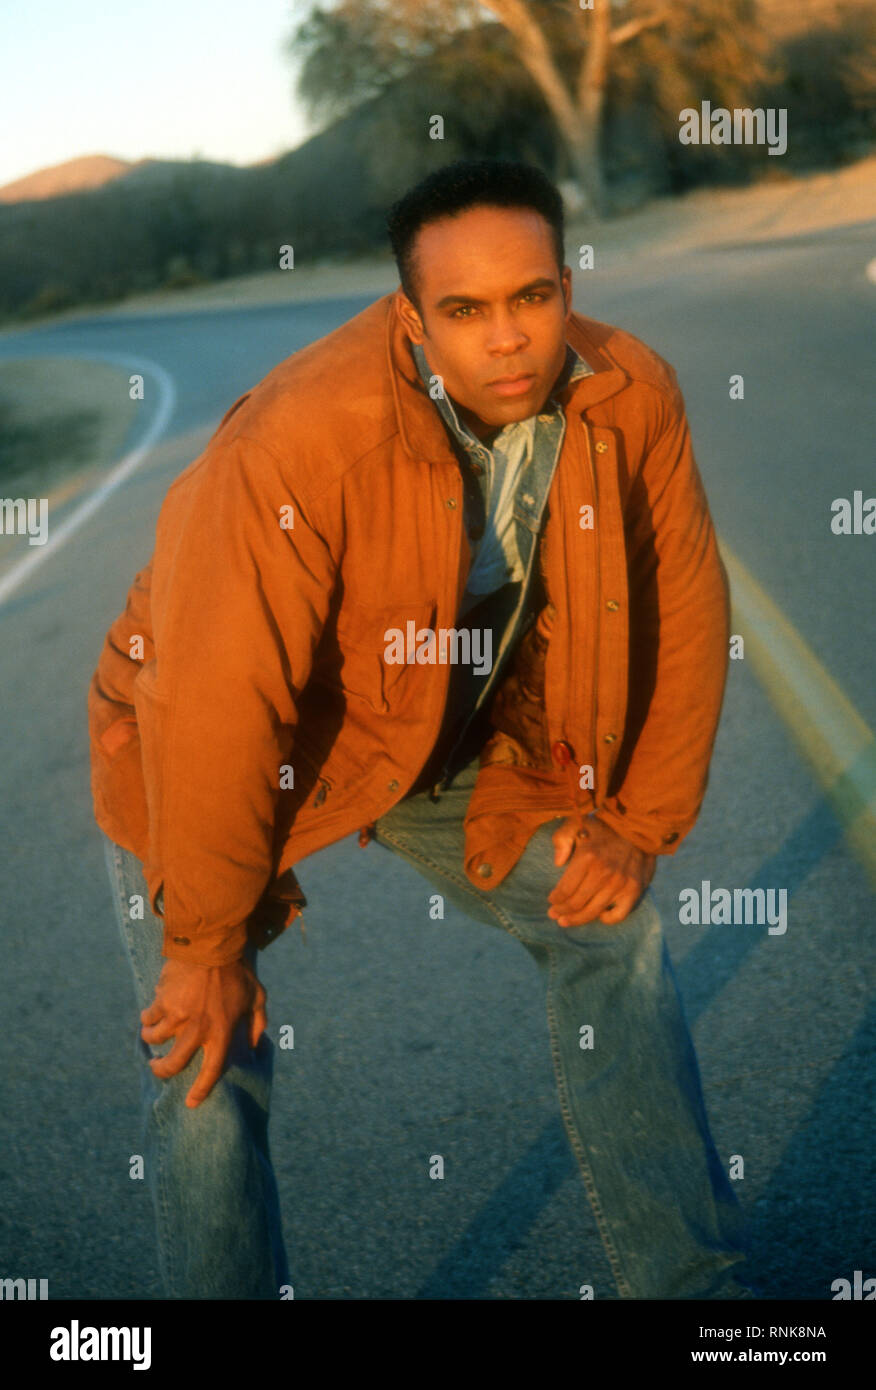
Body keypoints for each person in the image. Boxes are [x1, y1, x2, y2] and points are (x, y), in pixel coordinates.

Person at [90, 158, 756, 1300]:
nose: (509, 341)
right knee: (206, 1042)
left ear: (564, 283)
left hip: (441, 727)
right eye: (465, 310)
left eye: (532, 298)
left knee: (612, 929)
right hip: (212, 736)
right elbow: (218, 702)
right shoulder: (295, 445)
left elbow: (684, 599)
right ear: (411, 317)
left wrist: (641, 820)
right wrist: (206, 945)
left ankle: (696, 1295)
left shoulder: (628, 391)